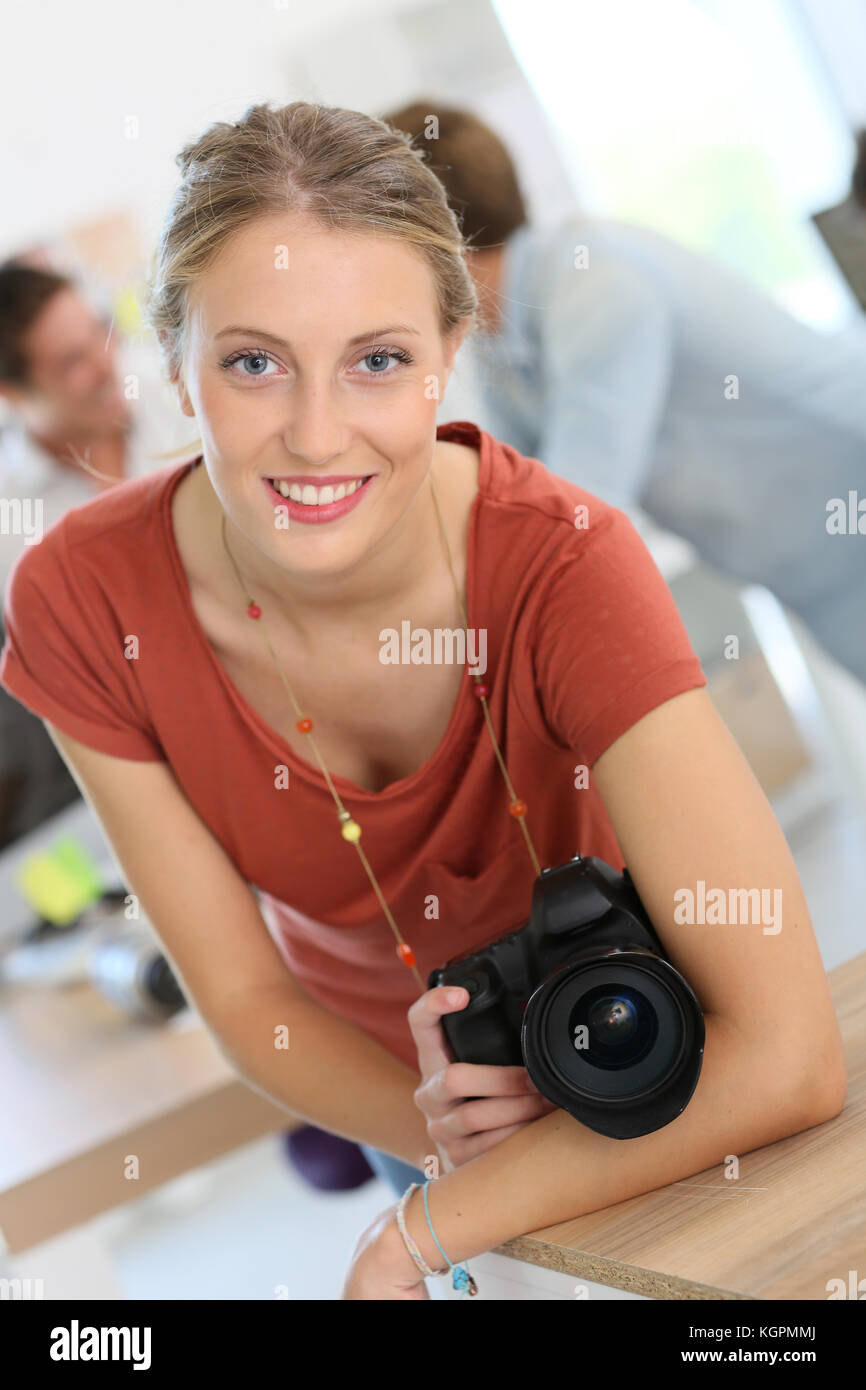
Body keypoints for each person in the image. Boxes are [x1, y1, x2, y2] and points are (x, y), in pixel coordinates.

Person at [0, 101, 845, 1300]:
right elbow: (242, 997)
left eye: (377, 360)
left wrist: (417, 1232)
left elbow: (788, 1056)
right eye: (252, 363)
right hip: (399, 1097)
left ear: (450, 348)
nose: (314, 433)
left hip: (646, 1061)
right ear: (179, 370)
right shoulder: (82, 600)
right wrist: (432, 1140)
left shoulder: (564, 563)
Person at [384, 102, 866, 689]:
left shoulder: (598, 281)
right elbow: (513, 496)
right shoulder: (503, 337)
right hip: (816, 575)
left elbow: (573, 514)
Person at [0, 262, 195, 843]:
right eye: (71, 361)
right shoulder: (12, 522)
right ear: (11, 391)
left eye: (102, 334)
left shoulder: (177, 397)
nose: (106, 364)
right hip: (153, 756)